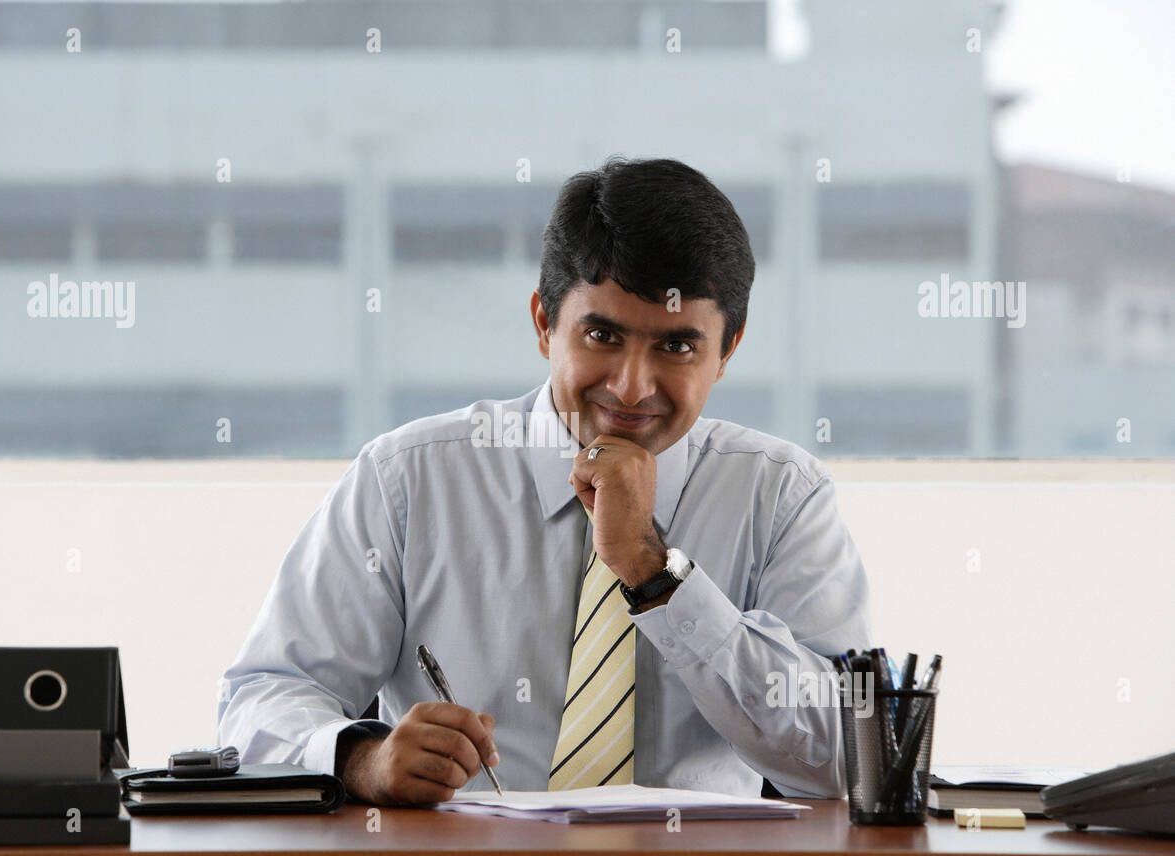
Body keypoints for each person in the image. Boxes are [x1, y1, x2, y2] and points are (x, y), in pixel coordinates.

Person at [217, 156, 872, 806]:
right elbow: (260, 699)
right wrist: (363, 759)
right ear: (543, 324)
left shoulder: (783, 496)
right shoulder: (409, 478)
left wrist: (655, 571)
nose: (630, 386)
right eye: (602, 334)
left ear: (727, 350)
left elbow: (846, 758)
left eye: (676, 347)